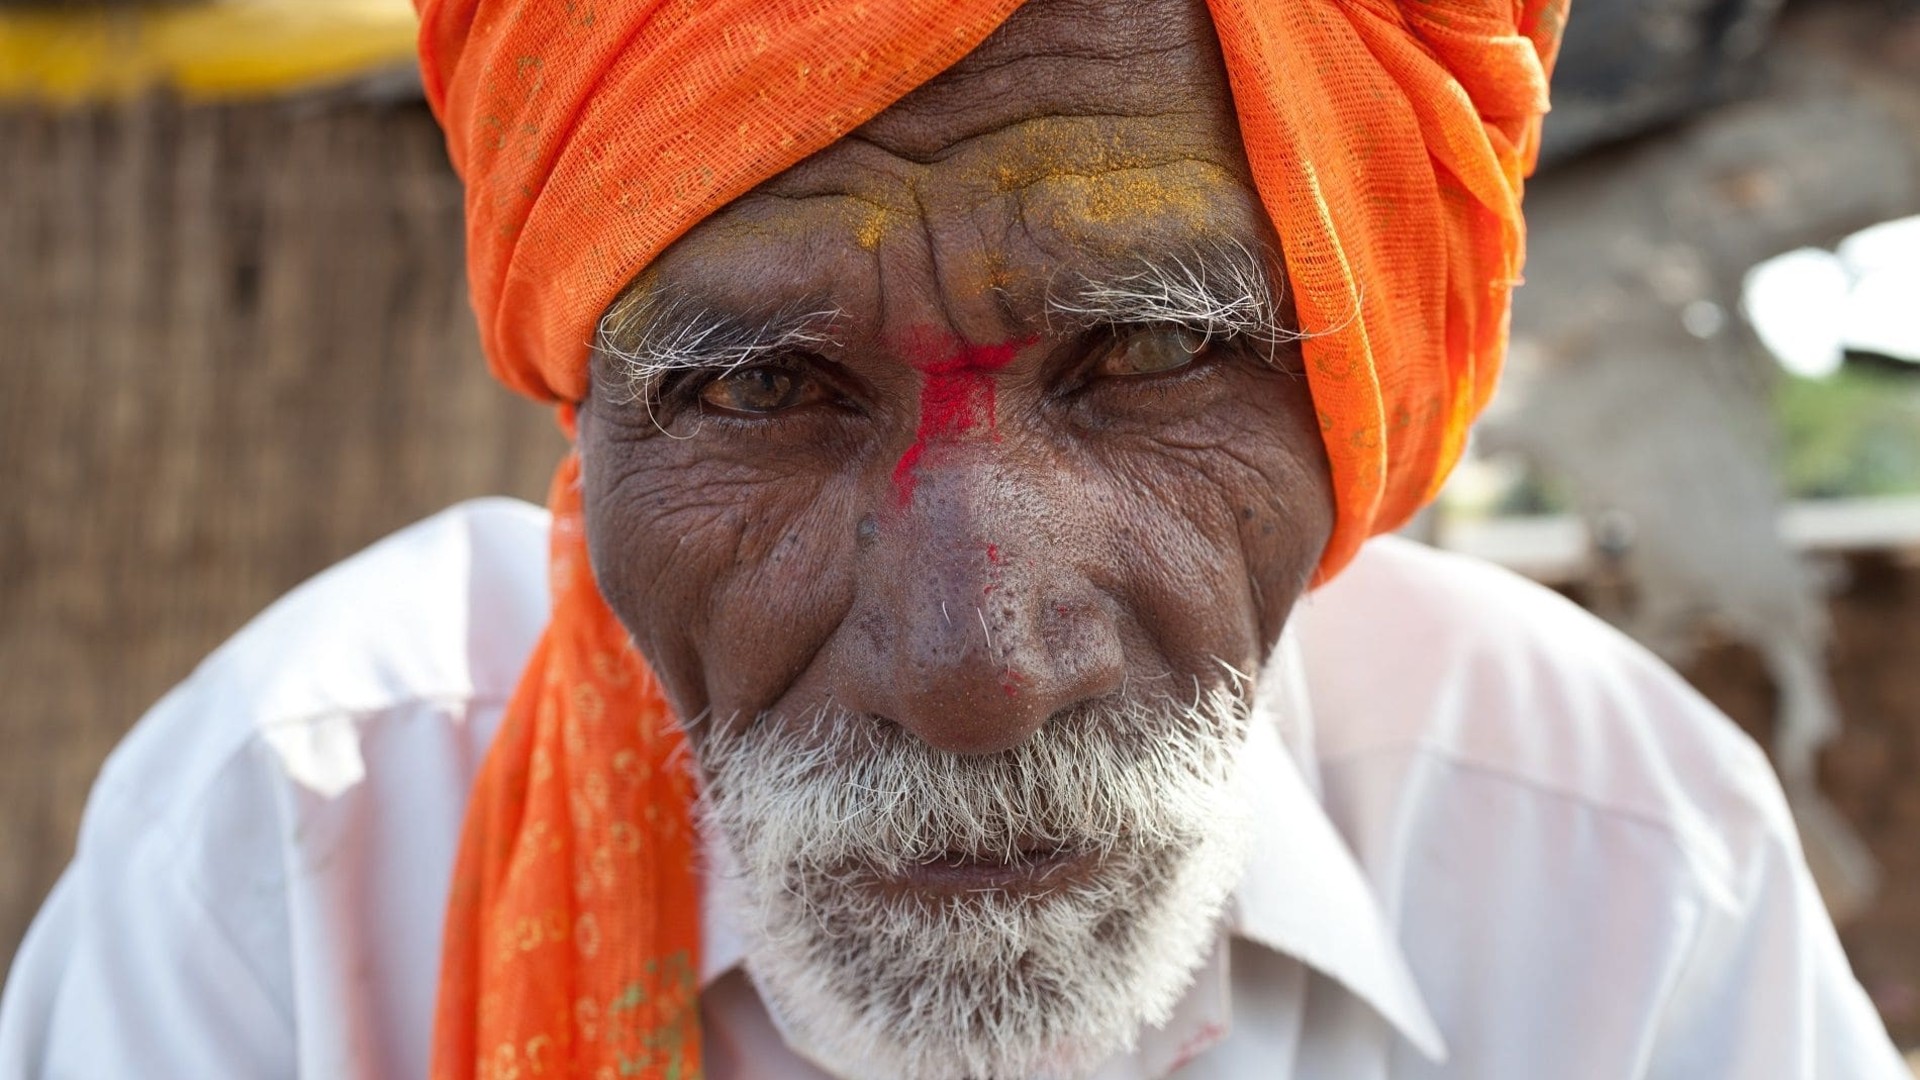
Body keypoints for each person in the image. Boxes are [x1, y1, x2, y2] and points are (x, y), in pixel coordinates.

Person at [1, 0, 1907, 1077]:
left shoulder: (1606, 856)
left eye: (1153, 353)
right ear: (586, 414)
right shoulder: (299, 845)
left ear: (1362, 410)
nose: (979, 665)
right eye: (762, 391)